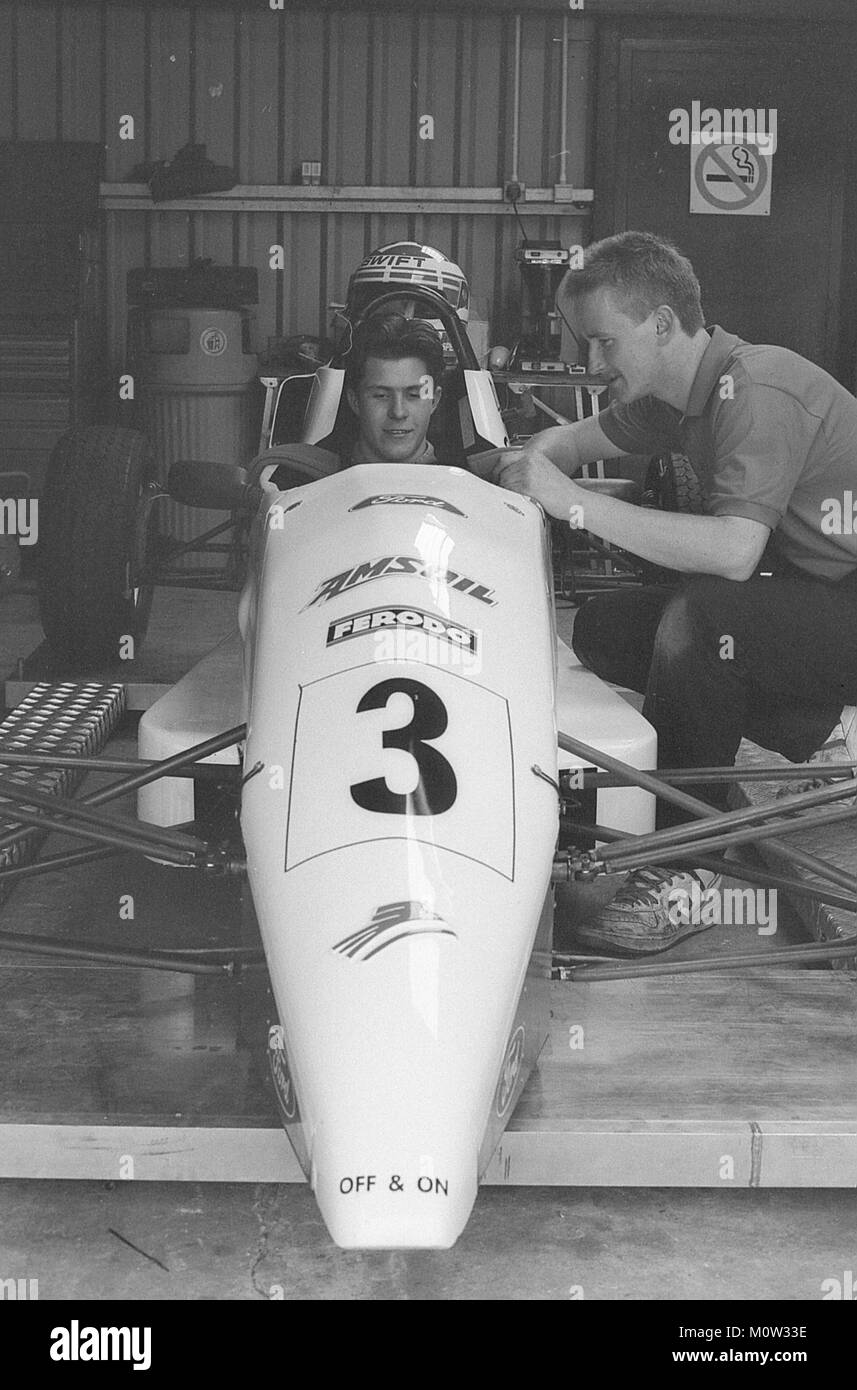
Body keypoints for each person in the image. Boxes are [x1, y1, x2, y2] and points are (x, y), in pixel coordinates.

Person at [487, 230, 857, 955]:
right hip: (823, 595)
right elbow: (568, 444)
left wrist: (571, 503)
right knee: (605, 627)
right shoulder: (673, 399)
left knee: (703, 620)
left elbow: (734, 552)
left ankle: (688, 869)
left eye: (604, 343)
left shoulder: (755, 388)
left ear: (661, 324)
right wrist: (520, 467)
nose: (592, 364)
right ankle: (827, 734)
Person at [341, 311, 444, 466]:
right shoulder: (317, 476)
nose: (398, 412)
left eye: (414, 395)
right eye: (381, 395)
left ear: (434, 400)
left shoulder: (470, 479)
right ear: (355, 400)